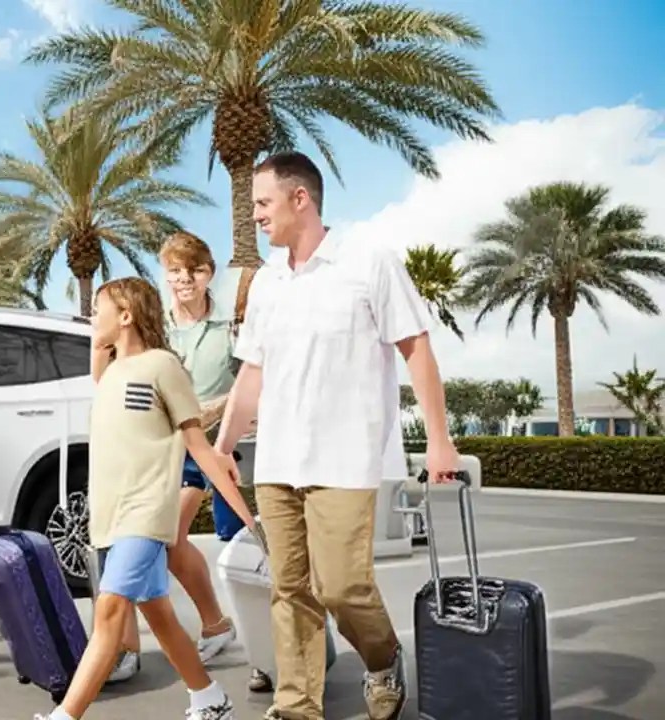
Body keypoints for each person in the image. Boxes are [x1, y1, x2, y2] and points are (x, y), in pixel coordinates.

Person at [213, 151, 459, 720]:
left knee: (342, 587)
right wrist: (223, 449)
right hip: (276, 460)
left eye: (263, 203)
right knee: (290, 589)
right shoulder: (268, 282)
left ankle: (382, 655)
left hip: (346, 458)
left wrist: (440, 440)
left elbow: (416, 349)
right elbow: (252, 373)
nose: (256, 215)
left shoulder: (368, 261)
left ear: (301, 199)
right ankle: (297, 704)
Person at [37, 277, 249, 720]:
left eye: (100, 310)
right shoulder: (110, 374)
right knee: (161, 617)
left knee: (110, 612)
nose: (93, 318)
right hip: (112, 515)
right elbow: (100, 362)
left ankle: (65, 717)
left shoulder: (162, 366)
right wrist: (100, 341)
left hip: (147, 511)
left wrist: (249, 518)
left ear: (127, 316)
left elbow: (197, 445)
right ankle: (209, 698)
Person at [104, 232, 268, 692]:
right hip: (170, 447)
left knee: (218, 541)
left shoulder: (232, 322)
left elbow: (255, 379)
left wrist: (218, 410)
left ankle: (251, 642)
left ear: (209, 273)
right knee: (174, 539)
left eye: (193, 270)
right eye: (175, 271)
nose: (184, 280)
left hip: (219, 446)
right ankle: (216, 626)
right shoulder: (159, 329)